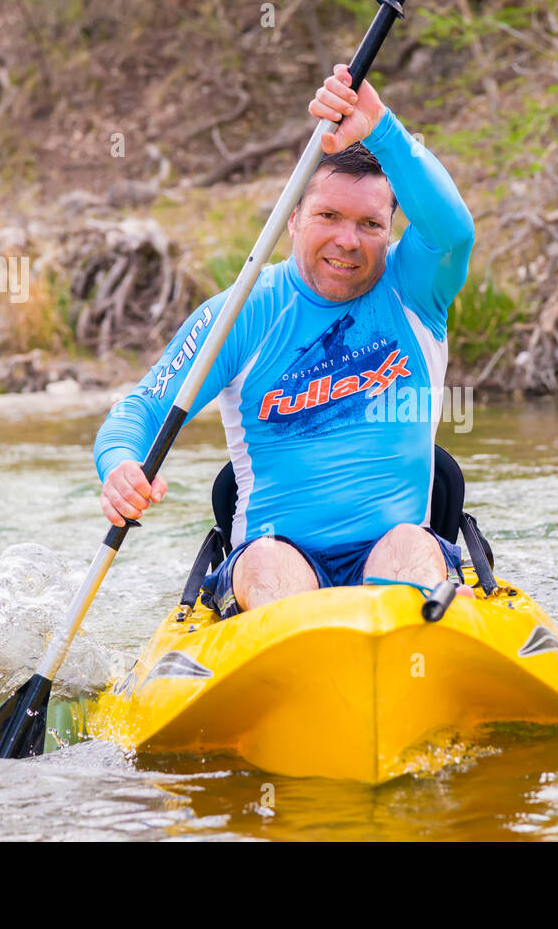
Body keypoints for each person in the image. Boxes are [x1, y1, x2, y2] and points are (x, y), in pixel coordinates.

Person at [93, 64, 475, 617]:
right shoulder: (241, 313)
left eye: (370, 224)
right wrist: (122, 465)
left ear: (390, 234)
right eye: (328, 215)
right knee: (272, 565)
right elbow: (144, 409)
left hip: (398, 552)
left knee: (409, 546)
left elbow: (454, 230)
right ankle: (302, 660)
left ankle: (404, 649)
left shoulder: (413, 289)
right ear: (293, 219)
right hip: (272, 557)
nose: (348, 240)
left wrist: (380, 127)